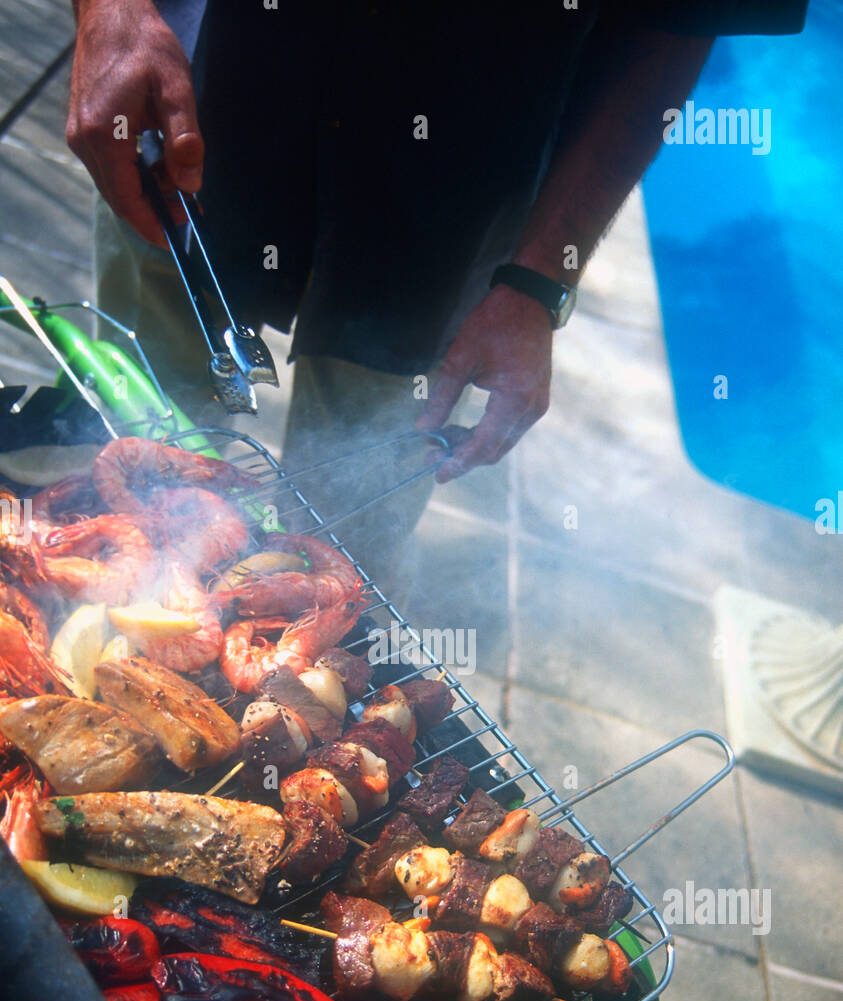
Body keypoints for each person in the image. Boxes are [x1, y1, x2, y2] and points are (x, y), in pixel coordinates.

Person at [66, 0, 808, 602]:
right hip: (192, 119)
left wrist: (539, 280)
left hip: (454, 211)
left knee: (347, 549)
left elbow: (680, 20)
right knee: (131, 454)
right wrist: (109, 10)